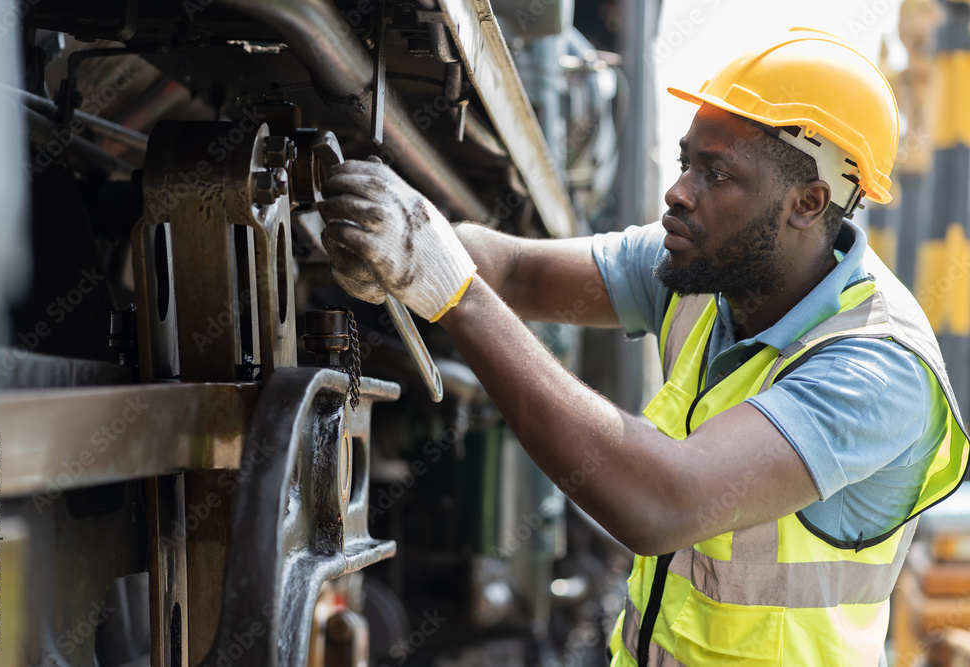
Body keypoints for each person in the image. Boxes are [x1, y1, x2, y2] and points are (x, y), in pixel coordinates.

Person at [316, 29, 969, 666]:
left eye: (716, 173)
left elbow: (663, 502)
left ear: (807, 203)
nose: (679, 191)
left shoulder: (877, 370)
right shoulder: (707, 268)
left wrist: (452, 290)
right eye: (688, 161)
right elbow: (514, 272)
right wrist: (406, 235)